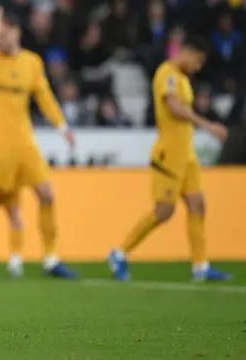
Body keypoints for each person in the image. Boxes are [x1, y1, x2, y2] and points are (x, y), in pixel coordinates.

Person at [108, 36, 231, 282]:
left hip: (187, 155)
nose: (197, 67)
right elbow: (174, 108)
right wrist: (207, 125)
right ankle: (119, 253)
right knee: (164, 211)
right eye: (196, 61)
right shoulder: (167, 74)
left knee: (198, 205)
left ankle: (200, 266)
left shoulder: (184, 78)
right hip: (169, 155)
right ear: (186, 53)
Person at [0, 6, 76, 279]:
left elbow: (45, 96)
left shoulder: (32, 62)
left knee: (47, 195)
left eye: (4, 32)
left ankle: (50, 258)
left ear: (16, 32)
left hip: (24, 143)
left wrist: (62, 126)